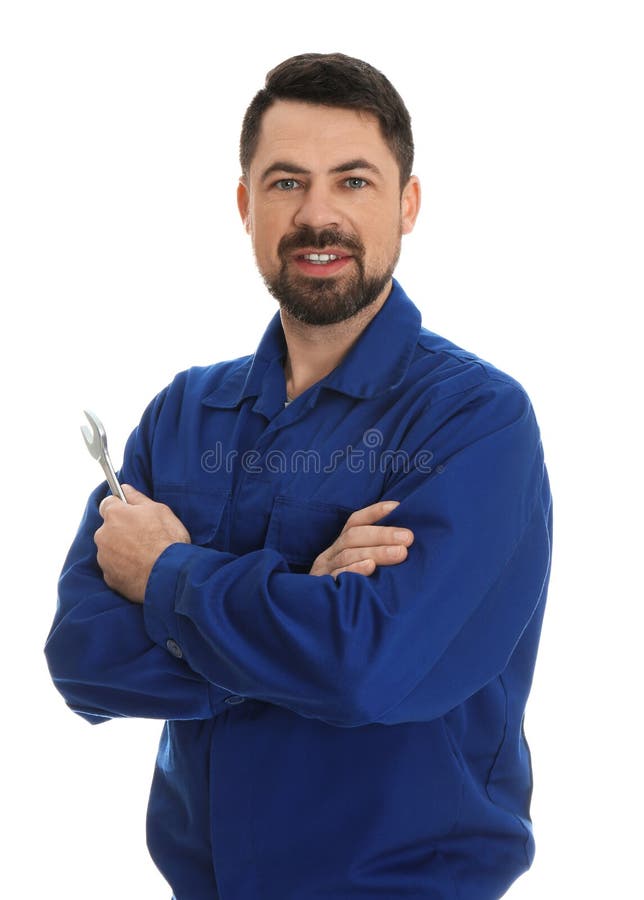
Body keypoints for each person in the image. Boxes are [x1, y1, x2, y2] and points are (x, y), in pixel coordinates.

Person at [45, 52, 553, 900]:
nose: (318, 215)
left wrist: (169, 578)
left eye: (353, 181)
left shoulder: (475, 421)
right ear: (246, 205)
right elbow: (82, 659)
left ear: (407, 204)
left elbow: (367, 670)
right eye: (286, 183)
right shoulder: (183, 415)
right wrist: (305, 607)